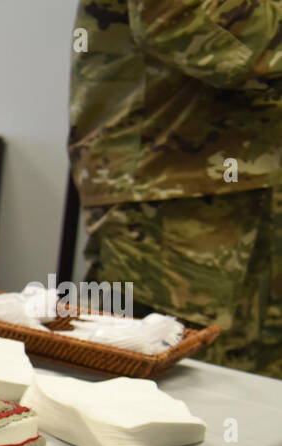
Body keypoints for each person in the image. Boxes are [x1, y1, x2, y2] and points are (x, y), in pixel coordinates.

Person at [69, 0, 282, 378]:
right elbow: (197, 25)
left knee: (260, 406)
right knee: (171, 400)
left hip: (256, 188)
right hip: (173, 204)